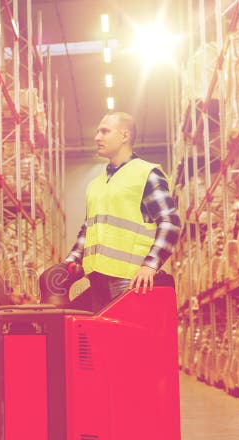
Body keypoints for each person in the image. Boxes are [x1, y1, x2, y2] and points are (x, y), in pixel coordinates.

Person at [63, 112, 181, 312]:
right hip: (97, 280)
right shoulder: (96, 184)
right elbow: (88, 228)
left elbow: (170, 222)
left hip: (131, 280)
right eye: (98, 132)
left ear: (125, 135)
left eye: (104, 131)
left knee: (129, 332)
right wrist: (71, 260)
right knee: (102, 333)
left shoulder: (146, 174)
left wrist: (150, 265)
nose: (97, 137)